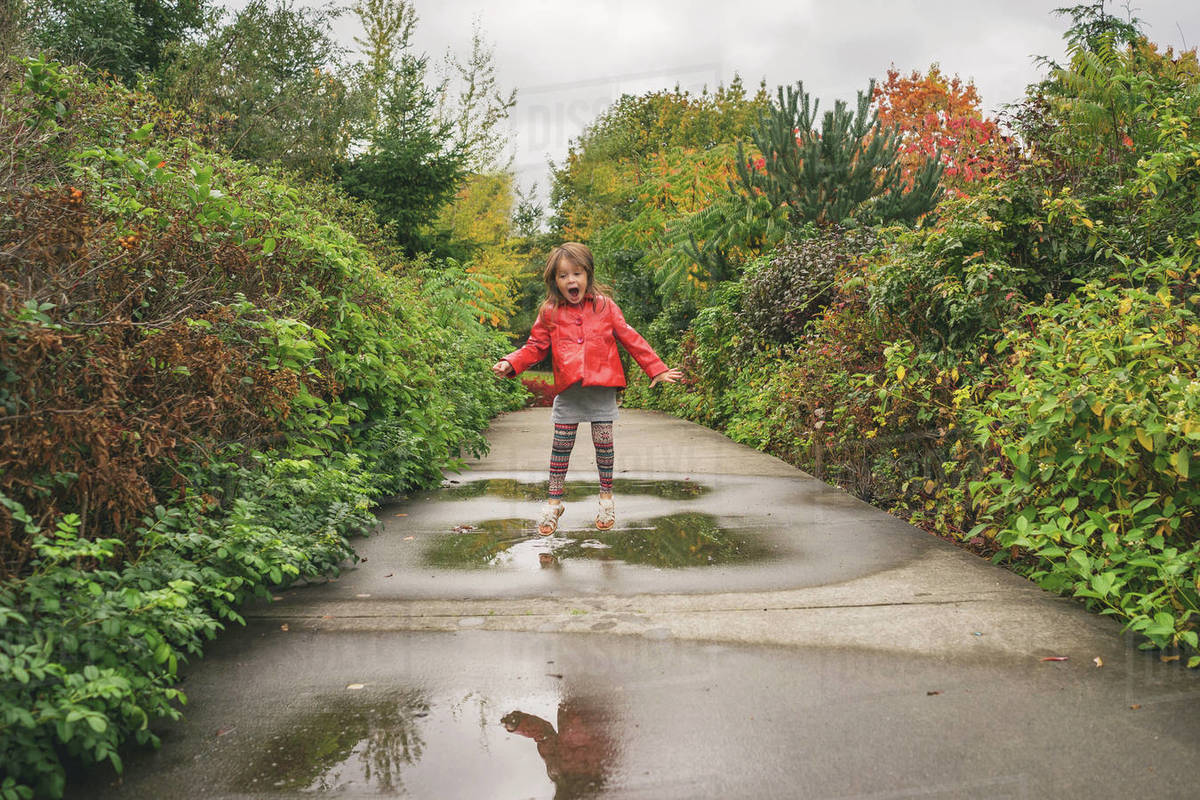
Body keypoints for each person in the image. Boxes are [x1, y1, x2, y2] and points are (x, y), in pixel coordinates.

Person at [492, 242, 682, 535]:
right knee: (561, 448)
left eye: (577, 274)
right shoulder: (550, 312)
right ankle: (554, 503)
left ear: (588, 275)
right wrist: (511, 362)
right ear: (554, 281)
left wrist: (656, 369)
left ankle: (606, 498)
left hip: (601, 386)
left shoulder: (605, 306)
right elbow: (535, 346)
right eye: (564, 275)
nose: (571, 281)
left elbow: (630, 337)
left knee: (603, 444)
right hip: (569, 390)